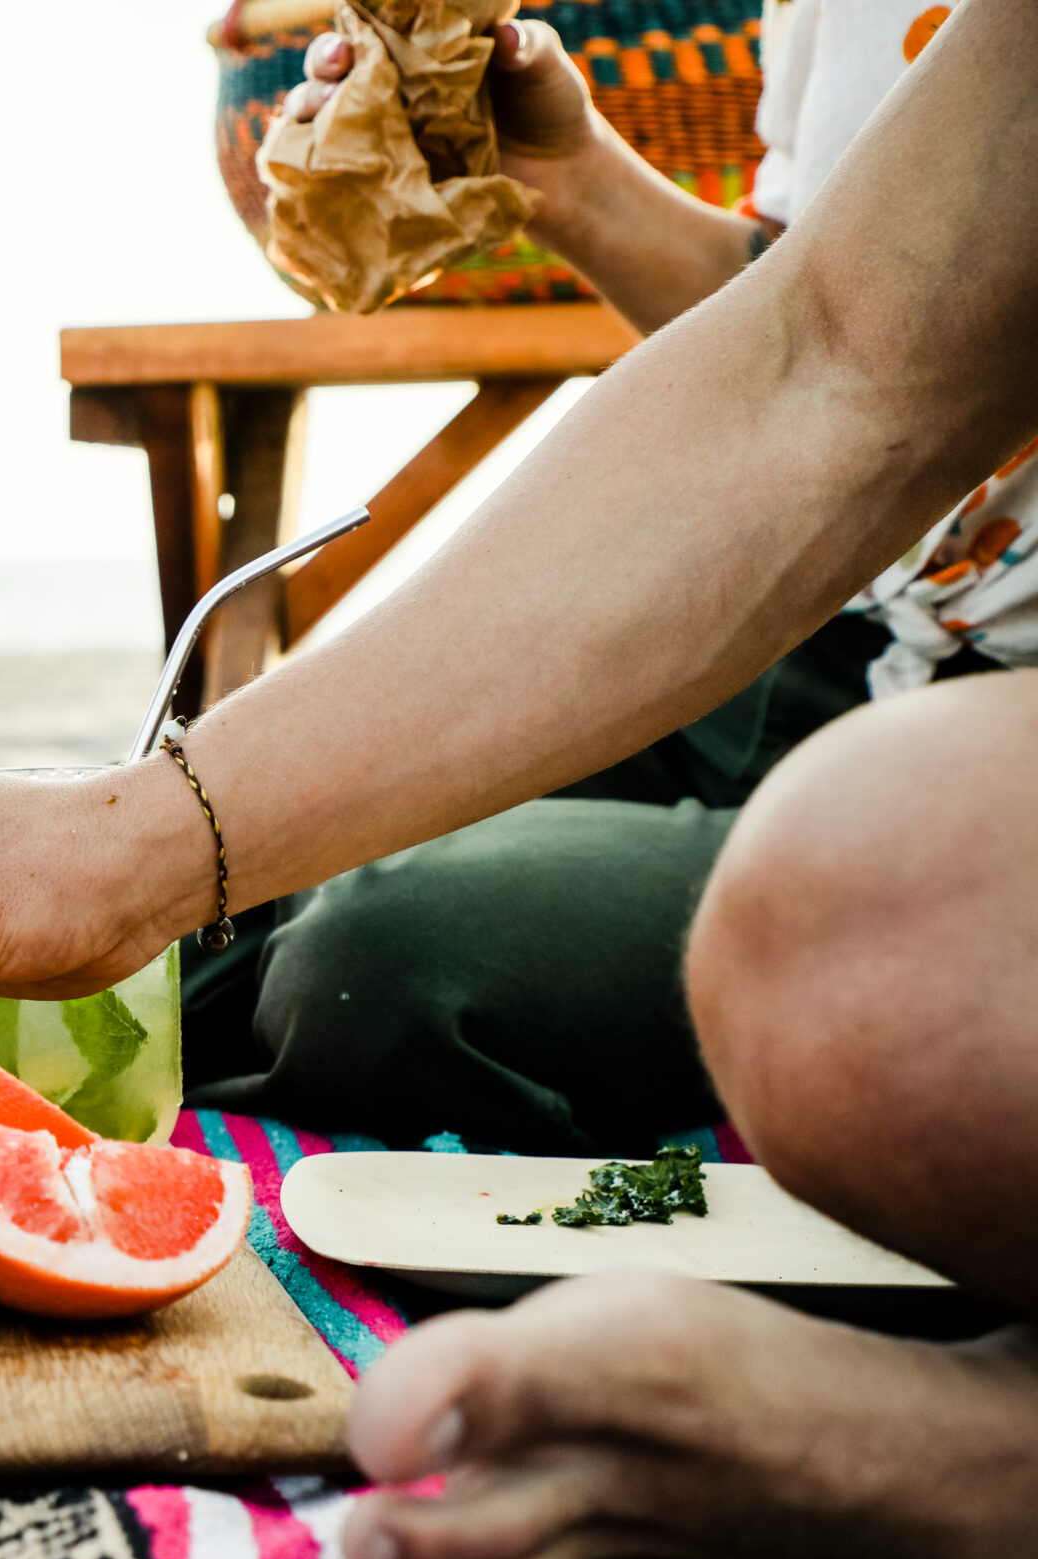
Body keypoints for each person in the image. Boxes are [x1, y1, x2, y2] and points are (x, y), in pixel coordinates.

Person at [0, 0, 1038, 1559]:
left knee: (806, 937)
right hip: (880, 635)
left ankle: (985, 1458)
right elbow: (843, 338)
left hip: (931, 712)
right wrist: (129, 839)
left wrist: (138, 844)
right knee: (249, 912)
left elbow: (846, 377)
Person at [164, 0, 1026, 1154]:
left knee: (375, 975)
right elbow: (808, 316)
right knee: (183, 957)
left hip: (990, 733)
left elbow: (854, 372)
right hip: (830, 635)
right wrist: (565, 176)